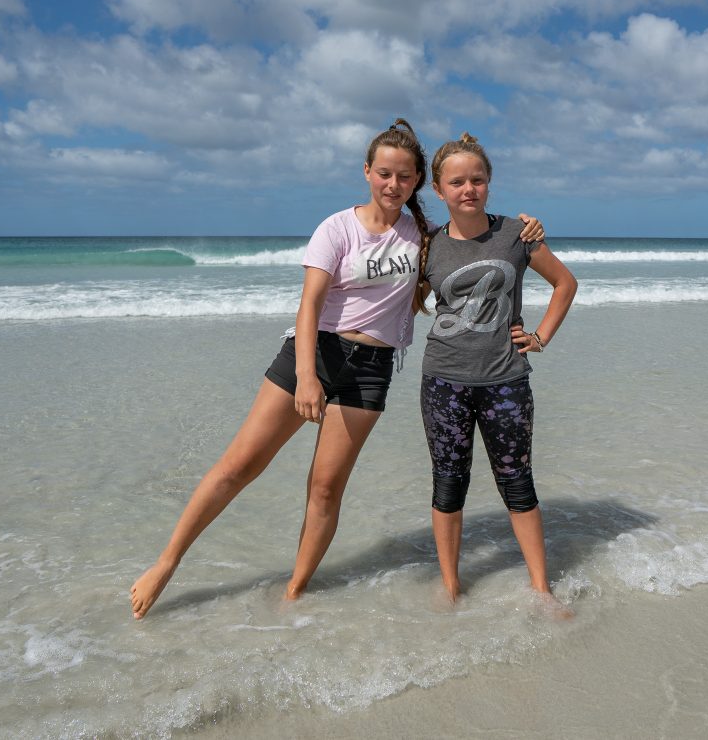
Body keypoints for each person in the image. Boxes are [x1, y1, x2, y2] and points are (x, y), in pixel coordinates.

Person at [130, 120, 542, 619]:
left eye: (404, 176)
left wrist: (527, 235)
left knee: (325, 488)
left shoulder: (424, 237)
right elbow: (309, 305)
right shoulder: (337, 228)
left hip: (372, 369)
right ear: (367, 172)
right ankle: (167, 563)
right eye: (384, 173)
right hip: (314, 355)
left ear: (417, 183)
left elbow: (465, 259)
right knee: (240, 466)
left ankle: (293, 594)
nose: (393, 185)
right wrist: (306, 376)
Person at [418, 133, 577, 610]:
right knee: (449, 482)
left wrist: (540, 338)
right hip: (443, 381)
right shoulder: (427, 246)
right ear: (439, 188)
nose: (469, 189)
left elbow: (565, 283)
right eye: (457, 182)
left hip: (506, 380)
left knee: (517, 481)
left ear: (489, 184)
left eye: (478, 180)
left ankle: (541, 590)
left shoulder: (516, 234)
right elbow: (403, 300)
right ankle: (450, 588)